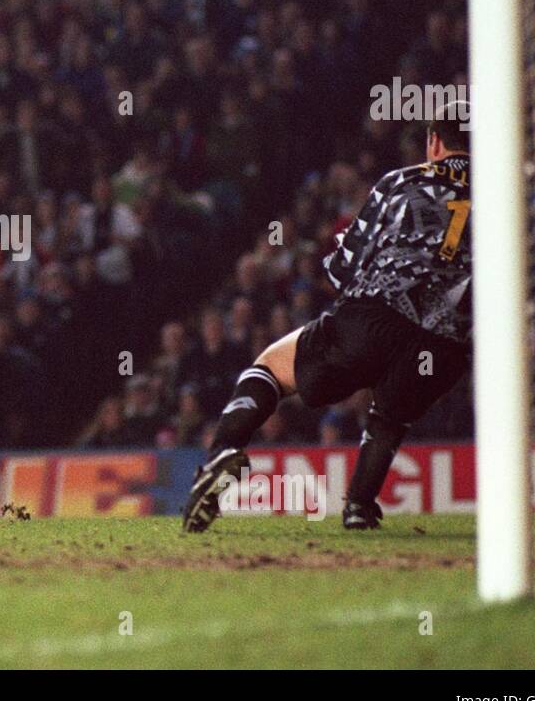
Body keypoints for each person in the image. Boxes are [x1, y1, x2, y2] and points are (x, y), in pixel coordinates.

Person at [182, 108, 472, 532]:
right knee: (391, 415)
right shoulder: (501, 196)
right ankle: (358, 506)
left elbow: (343, 268)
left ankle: (223, 451)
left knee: (270, 368)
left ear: (433, 143)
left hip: (375, 315)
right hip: (445, 345)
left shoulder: (402, 181)